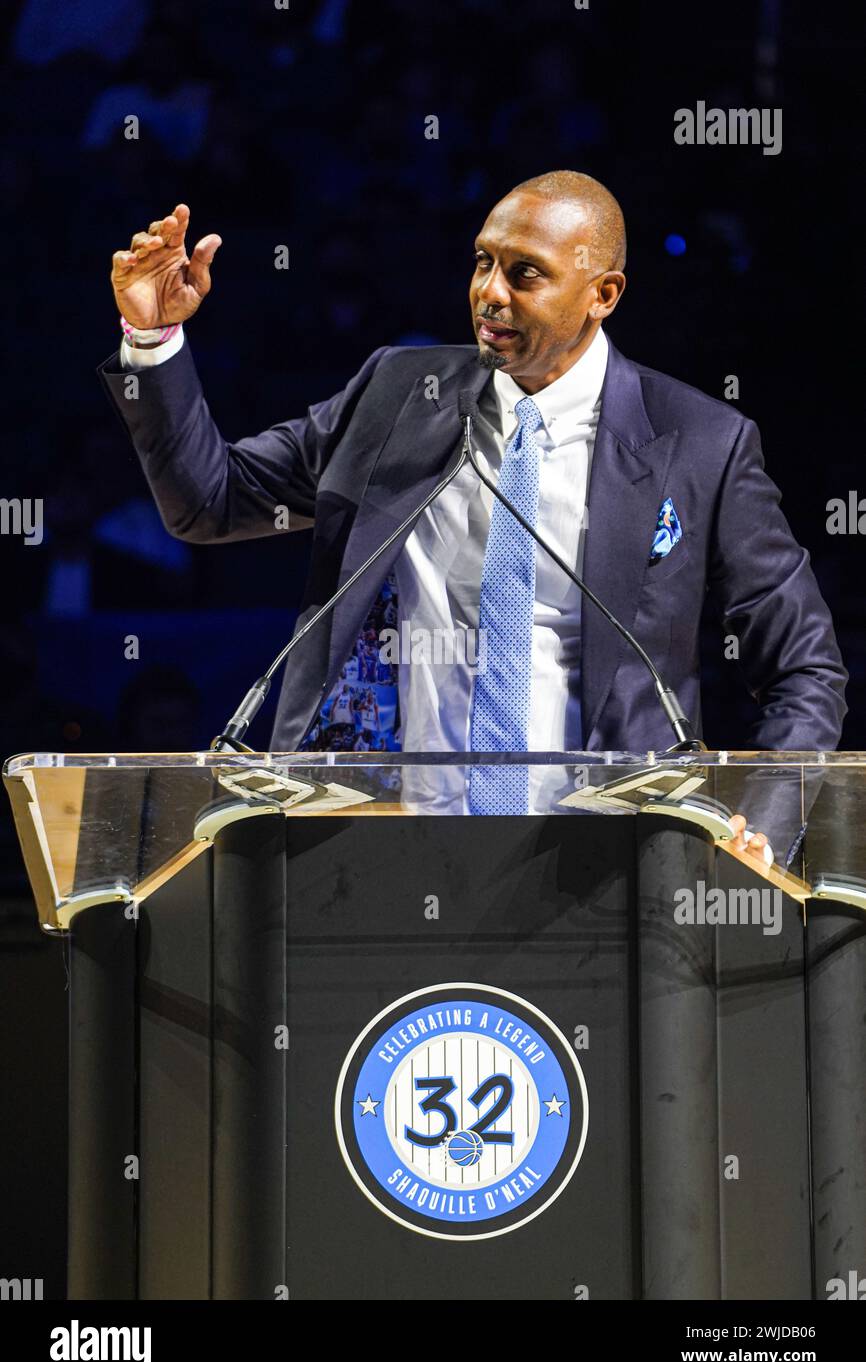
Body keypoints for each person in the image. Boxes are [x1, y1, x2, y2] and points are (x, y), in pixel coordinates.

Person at [100, 172, 847, 854]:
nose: (490, 292)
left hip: (611, 867)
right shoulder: (395, 395)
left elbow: (803, 668)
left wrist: (765, 821)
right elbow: (211, 502)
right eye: (483, 262)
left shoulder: (700, 444)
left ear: (604, 293)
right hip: (382, 847)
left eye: (526, 275)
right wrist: (152, 339)